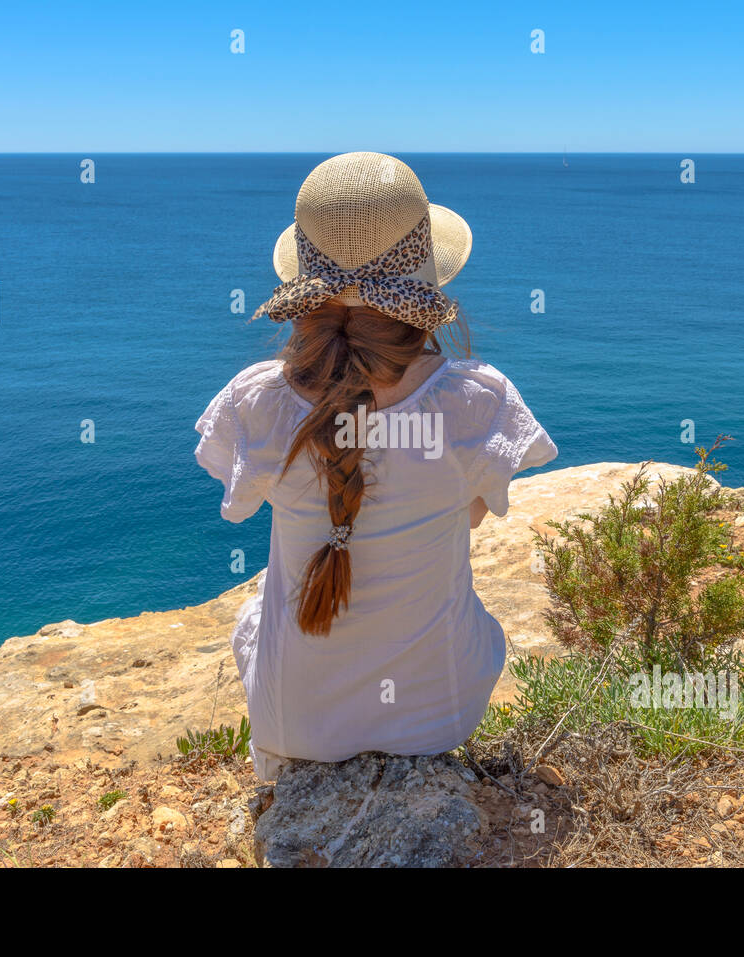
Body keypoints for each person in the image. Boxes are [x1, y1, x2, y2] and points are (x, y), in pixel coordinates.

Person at [194, 152, 557, 779]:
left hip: (292, 722)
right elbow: (471, 515)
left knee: (259, 610)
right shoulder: (475, 403)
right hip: (436, 714)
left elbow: (240, 499)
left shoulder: (255, 403)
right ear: (427, 280)